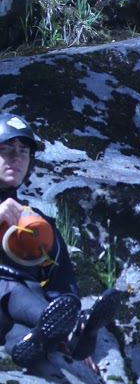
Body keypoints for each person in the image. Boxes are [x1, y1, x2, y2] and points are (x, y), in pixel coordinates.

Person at [0, 114, 119, 369]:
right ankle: (72, 328)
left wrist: (64, 310)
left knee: (27, 310)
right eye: (6, 149)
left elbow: (61, 280)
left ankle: (44, 340)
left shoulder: (37, 222)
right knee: (12, 288)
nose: (17, 157)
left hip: (14, 311)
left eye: (24, 151)